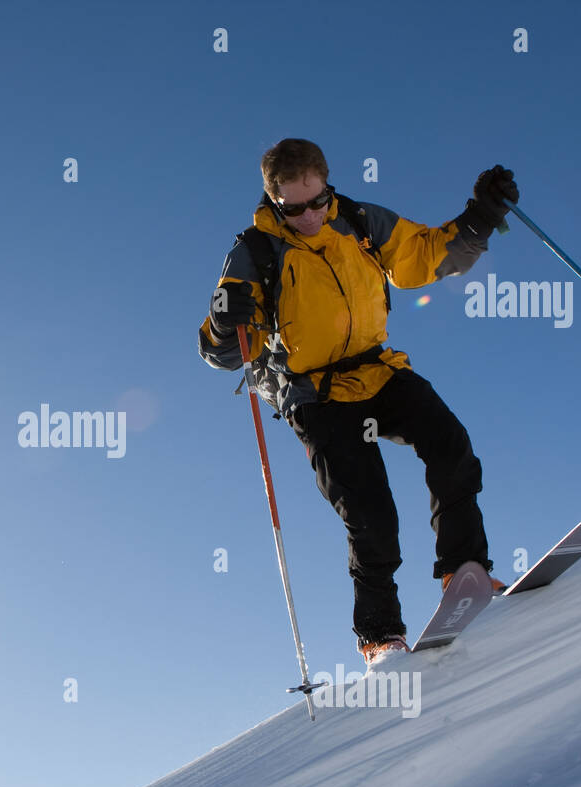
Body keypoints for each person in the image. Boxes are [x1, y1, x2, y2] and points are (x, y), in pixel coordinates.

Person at [199, 138, 518, 664]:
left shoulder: (361, 222)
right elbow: (223, 353)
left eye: (318, 201)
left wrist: (481, 216)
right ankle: (380, 635)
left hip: (376, 370)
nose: (309, 216)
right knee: (371, 514)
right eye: (293, 208)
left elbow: (424, 257)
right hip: (315, 396)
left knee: (449, 443)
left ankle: (464, 569)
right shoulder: (254, 251)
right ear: (273, 200)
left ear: (328, 186)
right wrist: (223, 322)